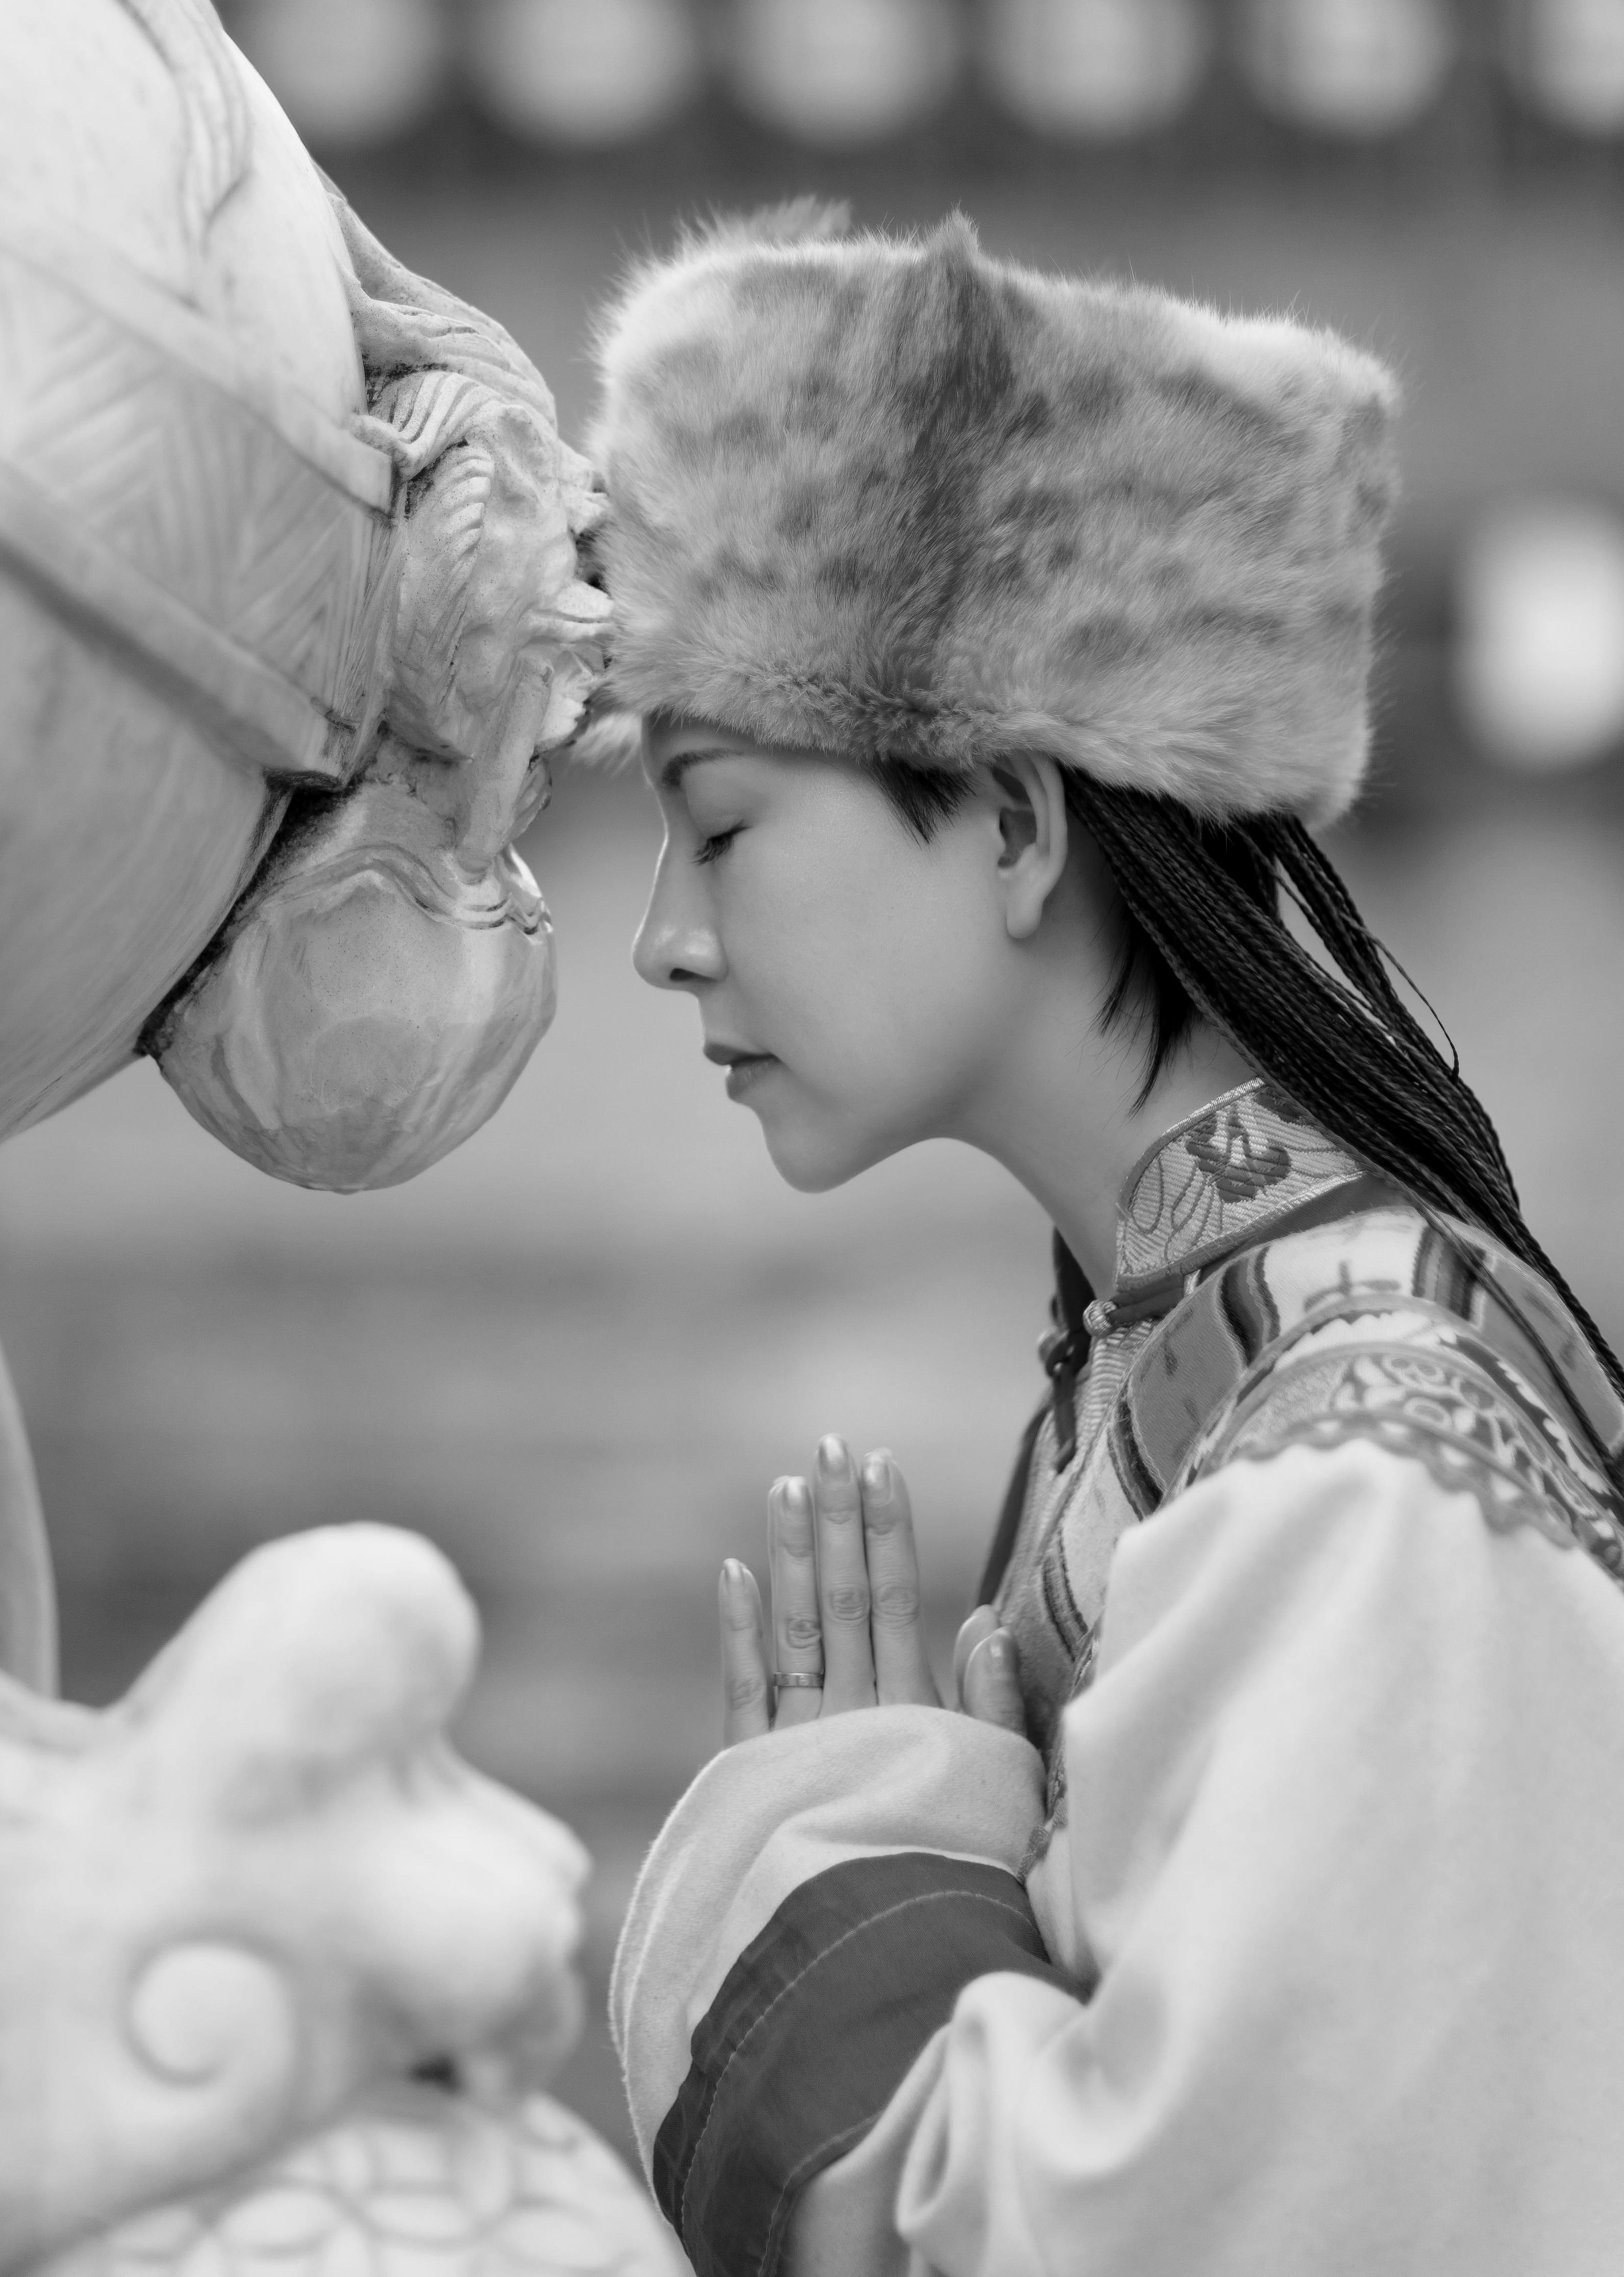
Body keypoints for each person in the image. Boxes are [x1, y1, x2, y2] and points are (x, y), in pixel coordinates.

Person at [588, 207, 1624, 2277]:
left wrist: (836, 1887)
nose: (665, 939)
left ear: (1013, 820)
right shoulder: (1187, 1358)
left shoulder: (1362, 1472)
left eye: (720, 824)